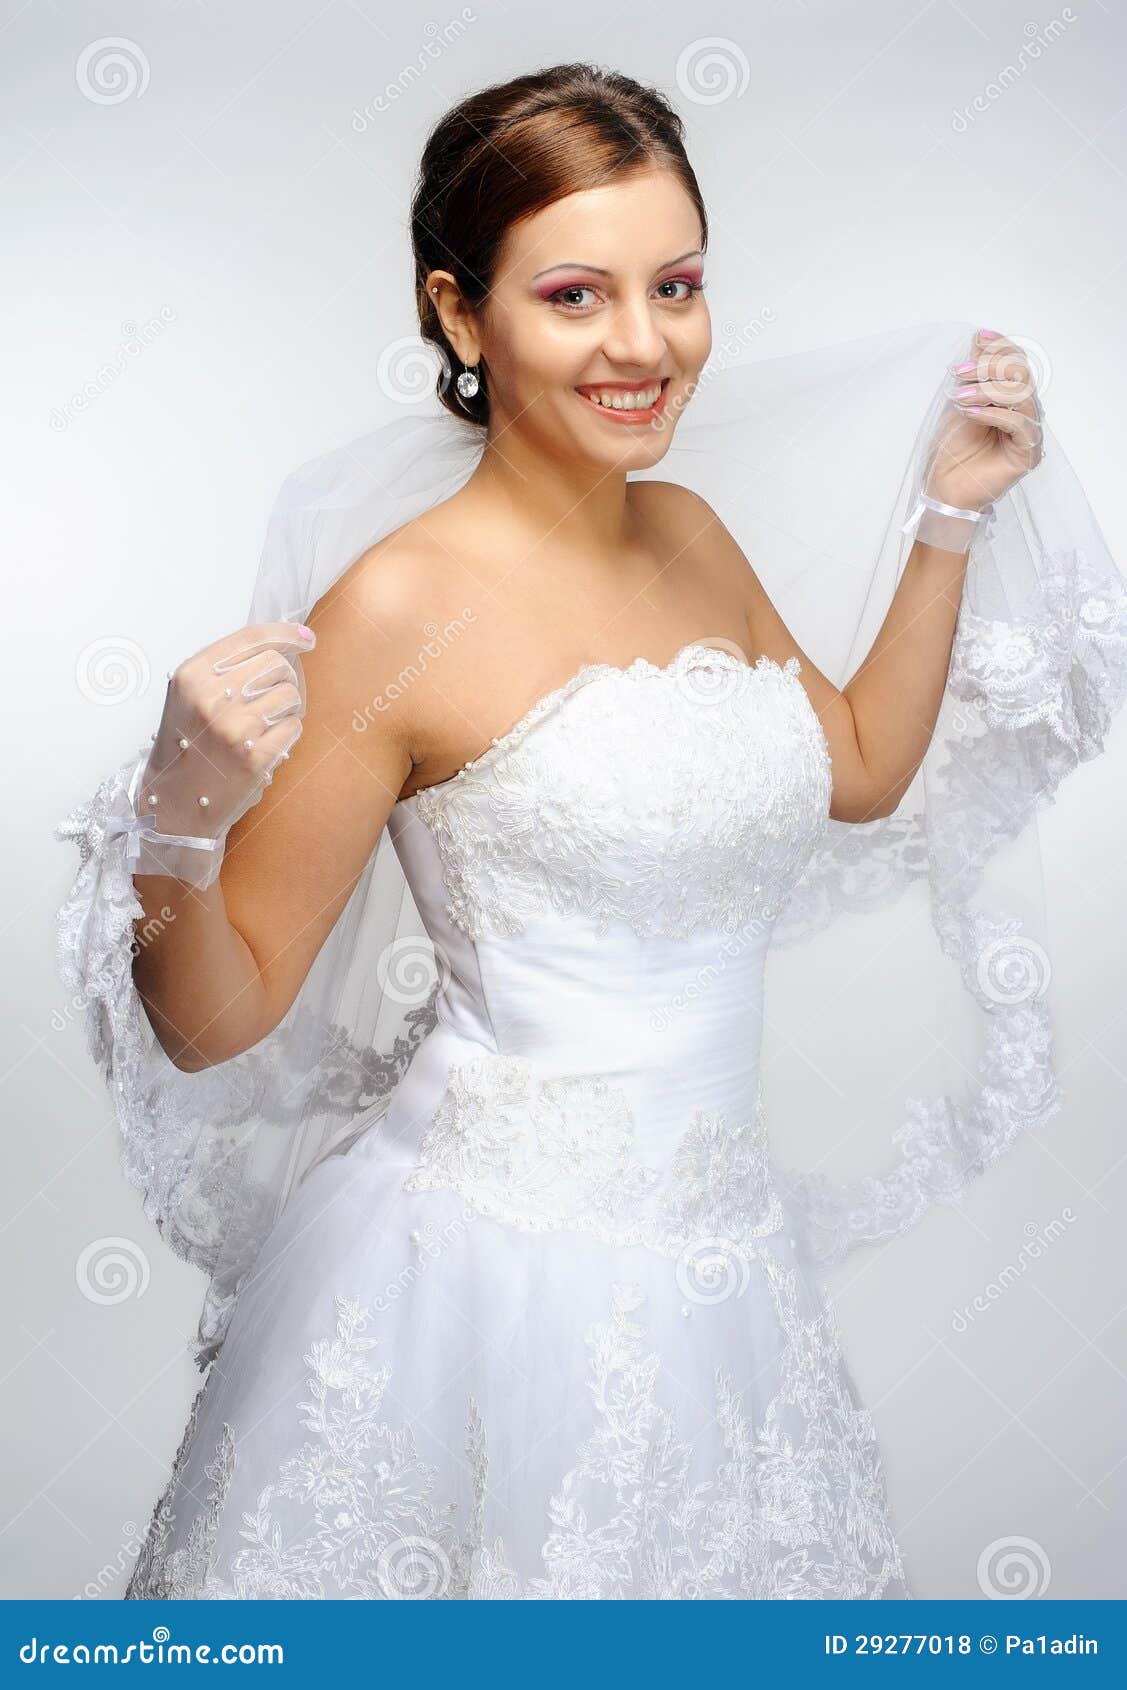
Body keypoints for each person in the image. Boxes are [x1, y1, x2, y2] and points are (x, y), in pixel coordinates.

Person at [54, 64, 1125, 1600]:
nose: (647, 344)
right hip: (476, 1277)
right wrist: (180, 820)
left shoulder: (691, 535)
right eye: (576, 295)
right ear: (459, 312)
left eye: (677, 286)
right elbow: (219, 1021)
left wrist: (950, 511)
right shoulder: (398, 609)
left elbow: (864, 764)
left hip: (721, 1263)